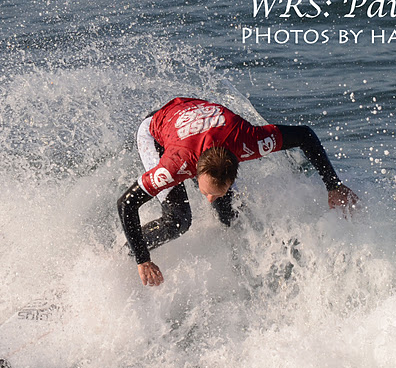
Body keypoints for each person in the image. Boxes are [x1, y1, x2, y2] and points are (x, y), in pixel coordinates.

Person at [117, 97, 358, 287]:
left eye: (216, 191)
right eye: (207, 191)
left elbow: (305, 135)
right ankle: (123, 253)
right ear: (194, 172)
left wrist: (334, 186)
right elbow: (126, 204)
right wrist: (143, 259)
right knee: (178, 221)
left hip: (207, 125)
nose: (208, 198)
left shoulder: (251, 141)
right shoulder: (174, 165)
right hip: (157, 131)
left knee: (229, 213)